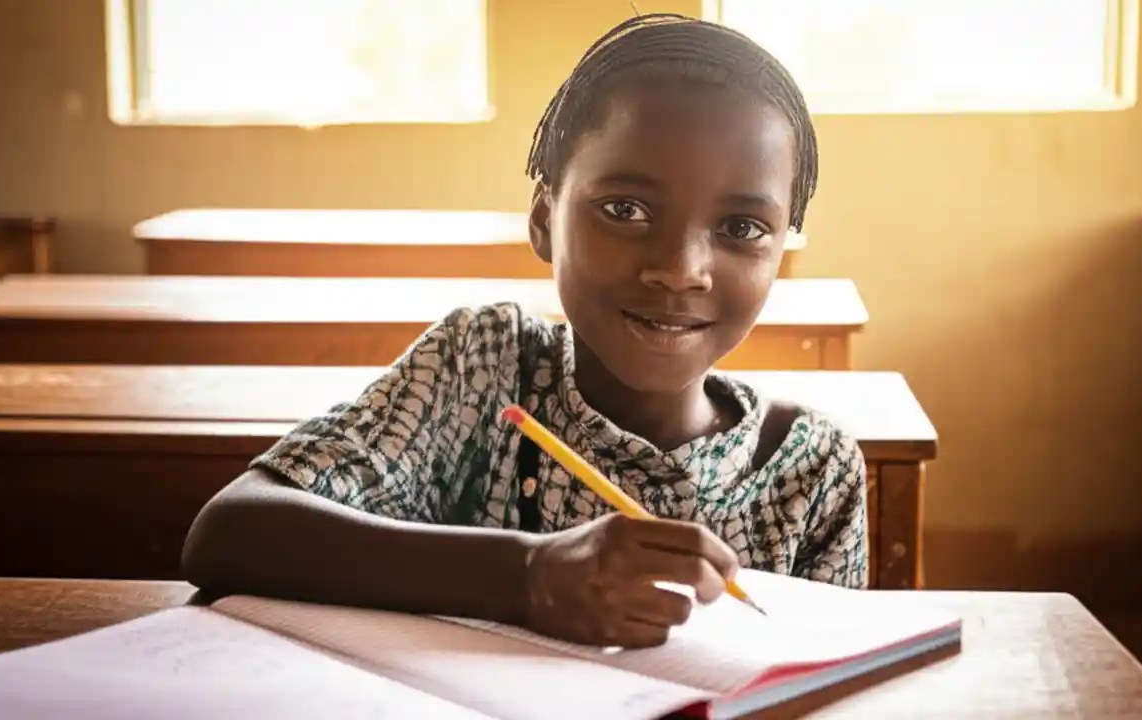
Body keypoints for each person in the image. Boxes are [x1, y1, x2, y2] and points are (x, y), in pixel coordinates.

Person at [182, 12, 867, 649]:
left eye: (742, 228)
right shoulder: (482, 370)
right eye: (625, 209)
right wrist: (526, 576)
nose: (680, 270)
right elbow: (230, 533)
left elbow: (828, 679)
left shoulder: (809, 468)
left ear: (781, 247)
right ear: (544, 220)